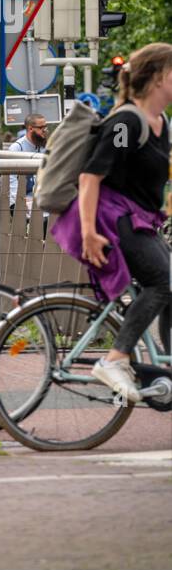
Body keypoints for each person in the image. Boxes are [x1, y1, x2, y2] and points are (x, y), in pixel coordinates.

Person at [53, 44, 172, 403]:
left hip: (141, 219)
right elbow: (91, 178)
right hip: (113, 218)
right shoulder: (126, 121)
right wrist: (88, 232)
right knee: (161, 283)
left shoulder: (162, 123)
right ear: (157, 78)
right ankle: (114, 359)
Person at [7, 112, 49, 211]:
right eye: (41, 127)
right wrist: (16, 203)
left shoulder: (46, 146)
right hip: (24, 202)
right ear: (30, 129)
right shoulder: (16, 148)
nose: (45, 130)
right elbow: (11, 179)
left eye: (45, 127)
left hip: (44, 201)